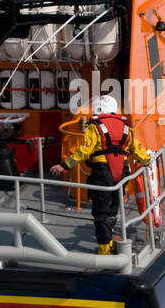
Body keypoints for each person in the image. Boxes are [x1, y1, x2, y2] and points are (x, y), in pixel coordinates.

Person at [50, 95, 150, 253]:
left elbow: (84, 150)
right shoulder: (125, 127)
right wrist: (147, 161)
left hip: (103, 172)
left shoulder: (94, 127)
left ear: (98, 109)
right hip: (122, 172)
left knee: (100, 211)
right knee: (113, 207)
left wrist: (65, 165)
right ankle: (108, 237)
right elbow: (136, 148)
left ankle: (104, 247)